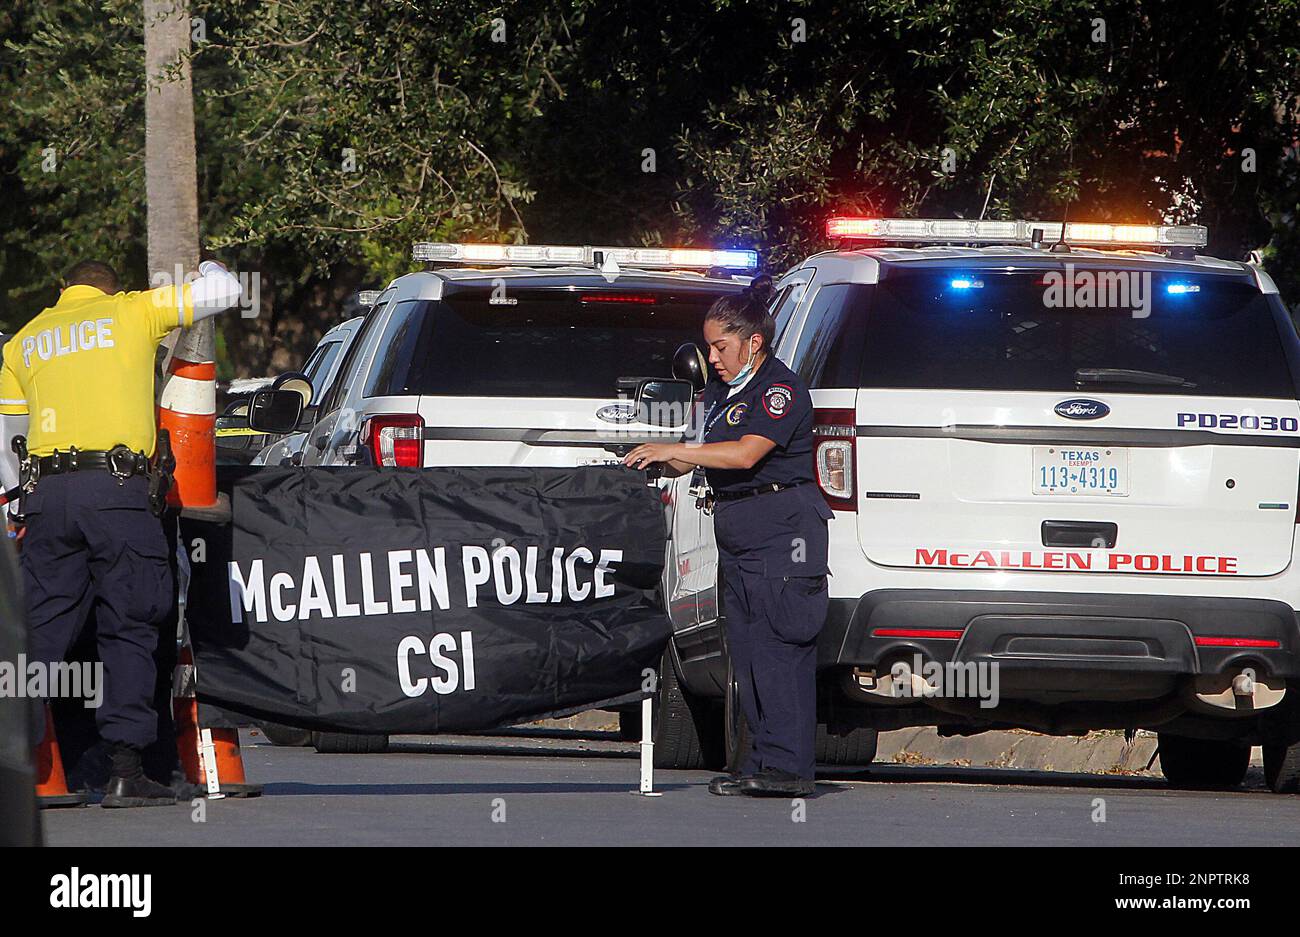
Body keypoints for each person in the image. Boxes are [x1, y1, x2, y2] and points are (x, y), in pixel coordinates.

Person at [0, 258, 242, 807]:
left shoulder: (25, 340)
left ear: (64, 290)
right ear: (112, 288)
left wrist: (22, 507)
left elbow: (9, 432)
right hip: (117, 492)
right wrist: (209, 266)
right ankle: (125, 771)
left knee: (38, 632)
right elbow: (223, 291)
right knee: (130, 625)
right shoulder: (134, 311)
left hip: (47, 497)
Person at [623, 275, 832, 797]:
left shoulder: (778, 390)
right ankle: (758, 760)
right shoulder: (723, 393)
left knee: (780, 649)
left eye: (721, 346)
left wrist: (678, 450)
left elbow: (744, 454)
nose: (712, 357)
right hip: (738, 534)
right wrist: (650, 460)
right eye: (709, 346)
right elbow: (704, 455)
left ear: (753, 342)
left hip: (781, 532)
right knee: (746, 651)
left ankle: (788, 768)